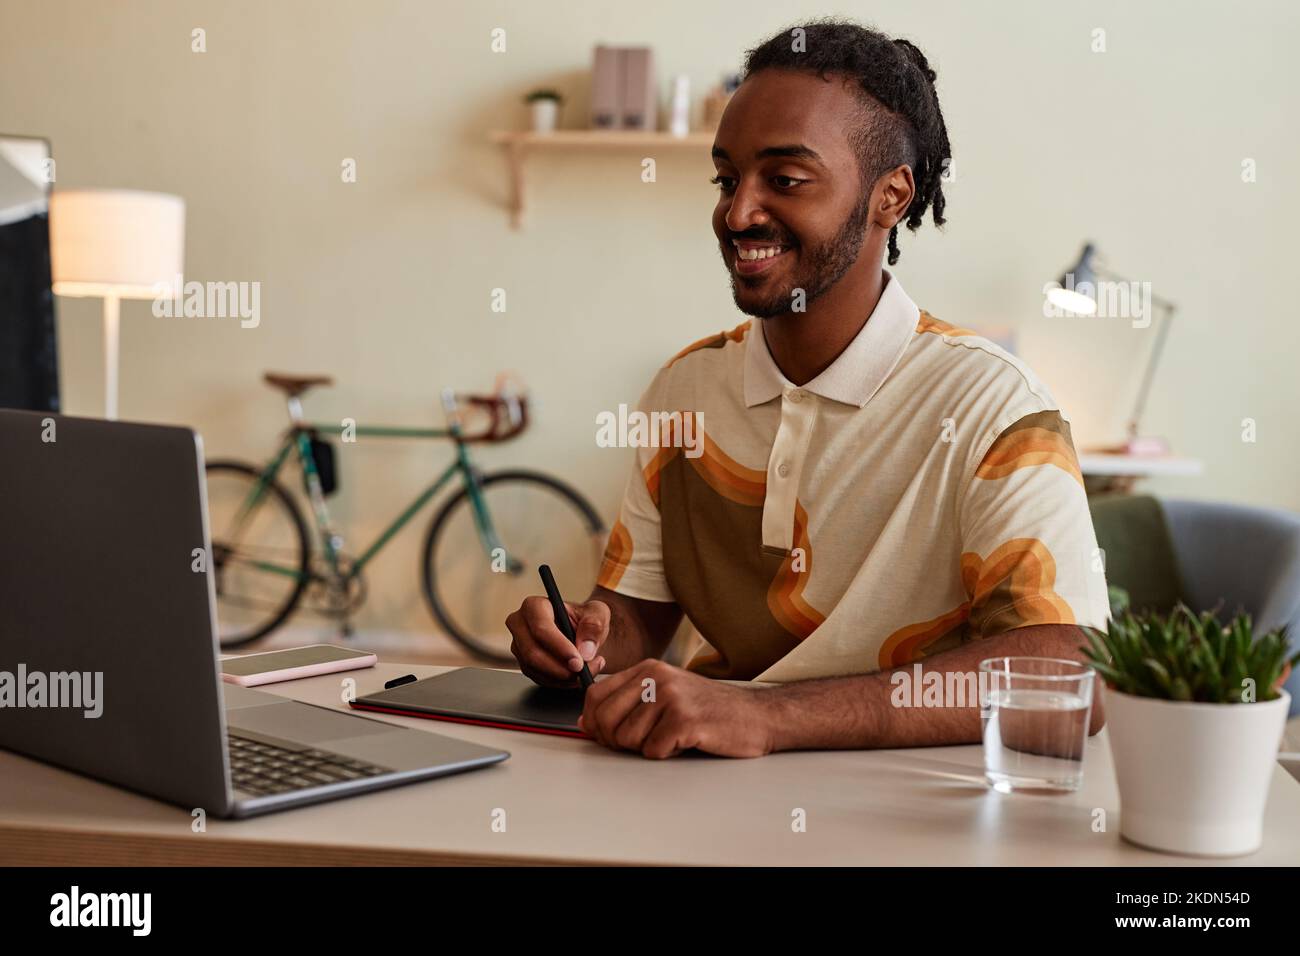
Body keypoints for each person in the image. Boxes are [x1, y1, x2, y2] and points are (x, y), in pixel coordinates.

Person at [506, 19, 1109, 758]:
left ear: (890, 197)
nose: (737, 213)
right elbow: (635, 622)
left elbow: (1070, 674)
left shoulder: (994, 405)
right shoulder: (683, 391)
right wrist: (583, 638)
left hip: (912, 818)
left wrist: (768, 717)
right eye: (727, 179)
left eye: (784, 180)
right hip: (699, 793)